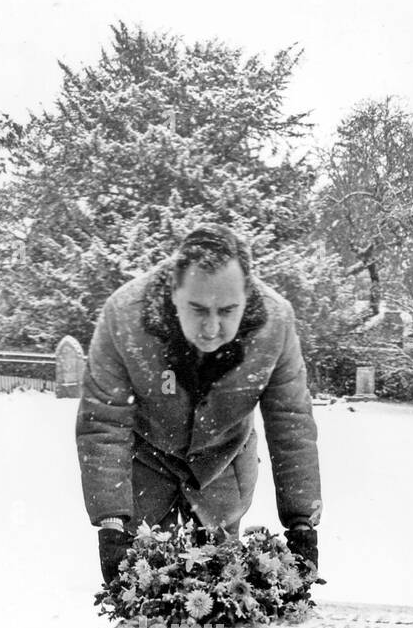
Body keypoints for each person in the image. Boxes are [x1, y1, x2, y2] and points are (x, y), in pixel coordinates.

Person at [76, 224, 322, 585]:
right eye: (198, 309)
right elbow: (104, 422)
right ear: (174, 291)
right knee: (147, 606)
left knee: (221, 599)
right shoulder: (123, 316)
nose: (211, 327)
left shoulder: (277, 323)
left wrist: (302, 523)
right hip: (145, 473)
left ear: (248, 293)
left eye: (226, 310)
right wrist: (112, 523)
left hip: (222, 473)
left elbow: (291, 423)